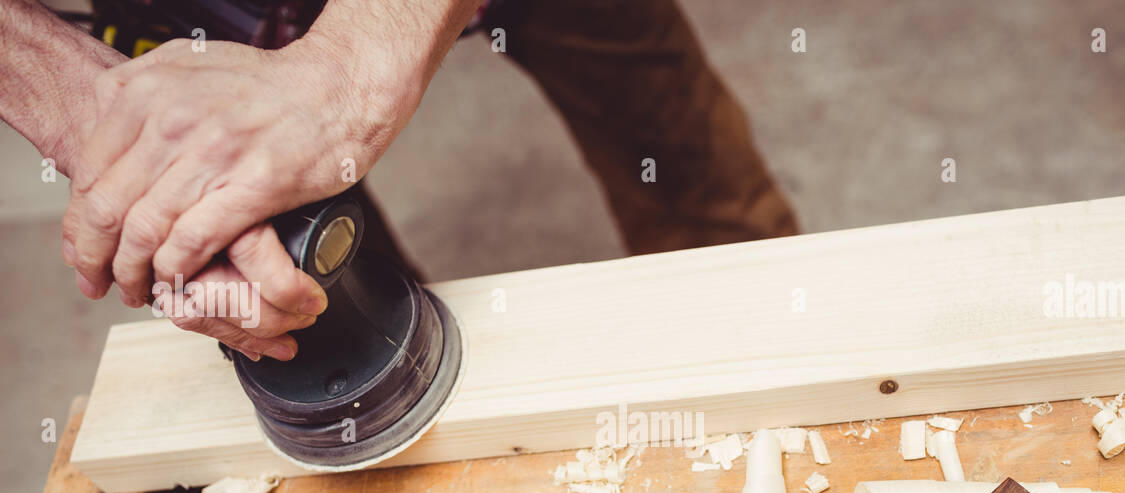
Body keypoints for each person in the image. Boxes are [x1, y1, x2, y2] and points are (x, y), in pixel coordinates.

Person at [0, 0, 797, 361]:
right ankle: (396, 366)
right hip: (186, 17)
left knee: (685, 173)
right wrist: (72, 97)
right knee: (319, 298)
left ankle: (769, 351)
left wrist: (350, 72)